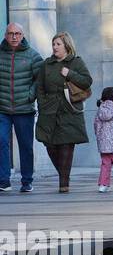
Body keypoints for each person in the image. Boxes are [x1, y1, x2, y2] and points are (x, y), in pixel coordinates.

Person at [34, 32, 92, 194]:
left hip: (69, 109)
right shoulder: (47, 64)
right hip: (49, 109)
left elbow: (87, 81)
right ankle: (64, 175)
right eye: (53, 44)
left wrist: (70, 73)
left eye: (58, 44)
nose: (55, 47)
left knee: (66, 144)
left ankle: (63, 182)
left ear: (66, 45)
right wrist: (43, 103)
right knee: (49, 142)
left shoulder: (76, 62)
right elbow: (40, 87)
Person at [0, 23, 44, 193]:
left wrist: (30, 95)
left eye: (17, 34)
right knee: (1, 142)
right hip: (2, 109)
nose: (14, 37)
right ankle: (4, 181)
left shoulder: (32, 55)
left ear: (22, 35)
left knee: (25, 146)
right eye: (11, 34)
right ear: (5, 35)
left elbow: (40, 79)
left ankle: (27, 181)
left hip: (24, 109)